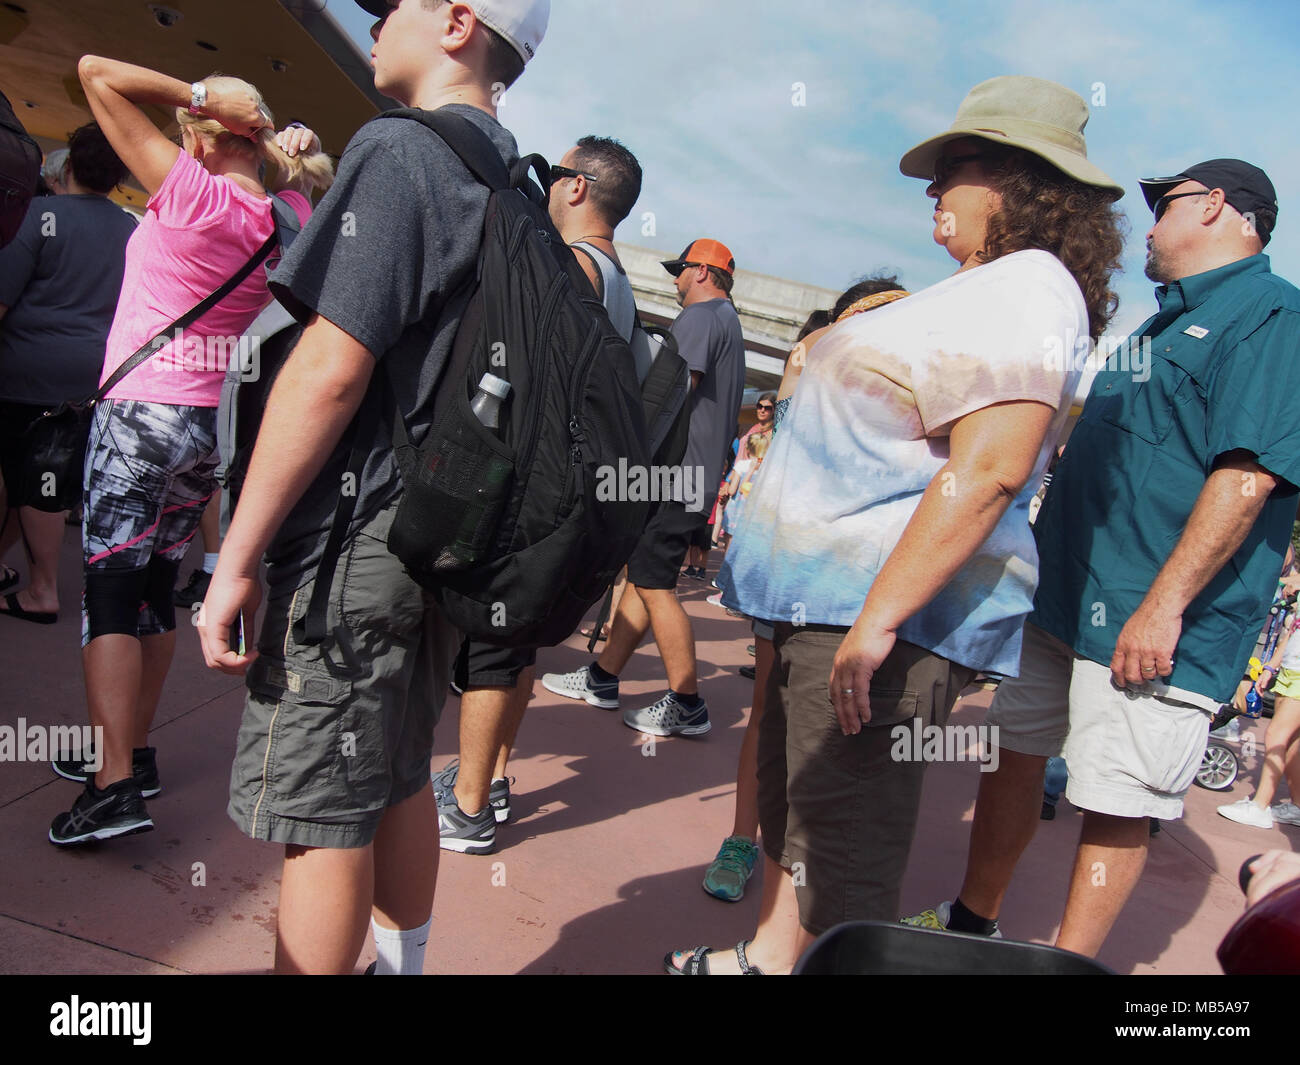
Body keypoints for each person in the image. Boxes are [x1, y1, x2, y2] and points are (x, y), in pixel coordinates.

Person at [667, 75, 1125, 973]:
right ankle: (769, 958)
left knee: (844, 855)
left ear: (1017, 181)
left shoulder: (1031, 285)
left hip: (877, 614)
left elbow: (990, 468)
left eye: (952, 166)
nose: (931, 188)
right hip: (830, 608)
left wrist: (878, 620)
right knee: (798, 815)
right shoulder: (986, 288)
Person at [198, 0, 550, 975]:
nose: (376, 22)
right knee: (394, 772)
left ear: (457, 22)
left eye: (395, 5)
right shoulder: (512, 180)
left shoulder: (402, 151)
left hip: (357, 537)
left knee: (320, 812)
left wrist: (234, 555)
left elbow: (329, 367)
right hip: (441, 530)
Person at [909, 158, 1300, 958]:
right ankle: (974, 923)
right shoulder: (1160, 324)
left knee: (1117, 797)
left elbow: (1247, 476)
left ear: (1217, 206)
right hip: (1062, 602)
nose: (1148, 224)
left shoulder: (1273, 316)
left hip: (1151, 622)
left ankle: (1067, 967)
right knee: (1014, 751)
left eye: (1164, 203)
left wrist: (1163, 605)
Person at [47, 57, 328, 848]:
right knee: (153, 592)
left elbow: (94, 73)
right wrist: (285, 143)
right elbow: (305, 178)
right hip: (210, 429)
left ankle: (111, 786)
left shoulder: (190, 193)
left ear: (199, 139)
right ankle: (133, 751)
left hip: (140, 414)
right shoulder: (287, 217)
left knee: (110, 592)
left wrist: (200, 94)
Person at [433, 133, 643, 855]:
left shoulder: (574, 267)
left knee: (494, 638)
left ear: (577, 186)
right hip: (574, 490)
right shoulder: (618, 281)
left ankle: (468, 808)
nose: (548, 186)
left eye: (555, 174)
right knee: (515, 640)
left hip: (537, 483)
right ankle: (490, 778)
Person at [700, 279, 908, 903]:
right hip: (792, 577)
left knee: (847, 732)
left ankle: (809, 867)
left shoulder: (909, 394)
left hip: (866, 594)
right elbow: (789, 431)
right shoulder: (810, 376)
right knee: (770, 713)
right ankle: (743, 839)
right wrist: (812, 354)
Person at [542, 237, 746, 739]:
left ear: (702, 272)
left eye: (681, 270)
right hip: (691, 476)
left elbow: (670, 392)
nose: (676, 280)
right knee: (643, 576)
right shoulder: (728, 320)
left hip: (675, 475)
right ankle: (603, 677)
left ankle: (687, 702)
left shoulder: (701, 317)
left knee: (654, 584)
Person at [0, 123, 135, 624]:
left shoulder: (40, 217)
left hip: (24, 372)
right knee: (45, 480)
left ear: (70, 165)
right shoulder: (130, 230)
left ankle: (42, 590)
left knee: (29, 482)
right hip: (93, 376)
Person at [1217, 603, 1300, 829]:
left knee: (1276, 736)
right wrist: (1271, 667)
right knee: (1292, 743)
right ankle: (1297, 807)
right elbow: (1294, 630)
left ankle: (1260, 806)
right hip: (1290, 670)